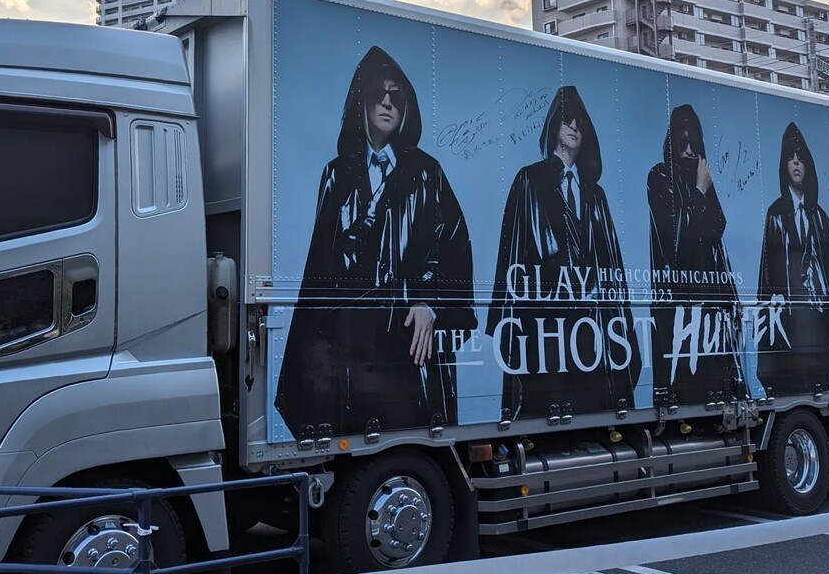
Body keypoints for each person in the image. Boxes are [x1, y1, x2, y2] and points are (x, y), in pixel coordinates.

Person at [274, 46, 476, 440]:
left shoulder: (427, 173)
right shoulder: (336, 175)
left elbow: (453, 247)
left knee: (408, 434)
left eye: (396, 95)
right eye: (378, 93)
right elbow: (320, 268)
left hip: (406, 349)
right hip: (350, 352)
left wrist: (430, 302)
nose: (387, 102)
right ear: (362, 101)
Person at [486, 86, 640, 421]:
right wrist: (506, 326)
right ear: (554, 126)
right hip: (545, 324)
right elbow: (511, 254)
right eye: (565, 120)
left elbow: (610, 262)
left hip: (591, 328)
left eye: (580, 122)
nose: (573, 126)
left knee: (593, 405)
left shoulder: (594, 194)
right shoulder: (529, 180)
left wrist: (622, 325)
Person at [646, 104, 745, 404]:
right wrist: (699, 193)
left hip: (715, 306)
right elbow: (676, 247)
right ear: (672, 143)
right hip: (681, 308)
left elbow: (717, 230)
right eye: (682, 141)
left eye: (694, 143)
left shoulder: (700, 176)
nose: (689, 150)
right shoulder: (660, 176)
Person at [755, 122, 829, 394]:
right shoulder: (776, 214)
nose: (796, 164)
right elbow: (768, 275)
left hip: (821, 318)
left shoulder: (819, 215)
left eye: (800, 158)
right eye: (790, 159)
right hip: (791, 320)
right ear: (784, 167)